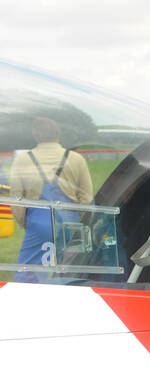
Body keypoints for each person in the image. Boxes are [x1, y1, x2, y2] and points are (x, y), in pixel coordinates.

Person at [8, 117, 93, 281]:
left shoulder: (23, 159)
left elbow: (16, 198)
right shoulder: (76, 158)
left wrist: (24, 222)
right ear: (58, 134)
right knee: (70, 270)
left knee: (28, 270)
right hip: (71, 220)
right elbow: (86, 197)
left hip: (38, 220)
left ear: (36, 135)